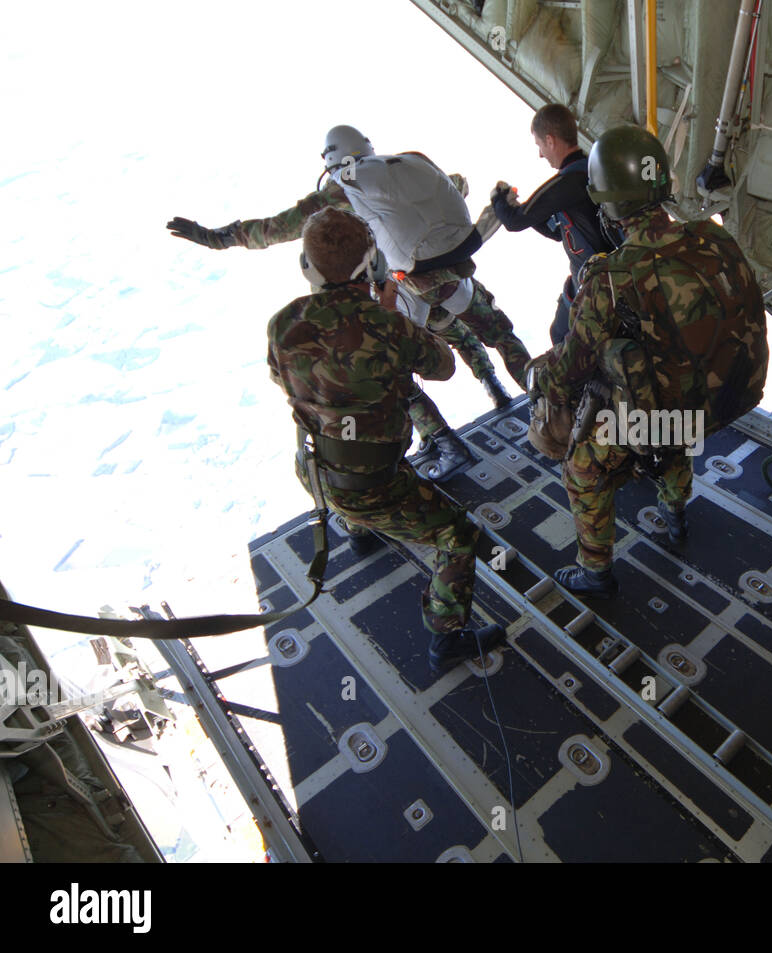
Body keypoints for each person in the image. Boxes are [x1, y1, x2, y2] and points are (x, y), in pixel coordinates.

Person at [167, 124, 529, 478]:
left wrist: (217, 238)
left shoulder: (338, 193)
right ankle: (526, 397)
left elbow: (272, 229)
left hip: (400, 290)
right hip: (452, 274)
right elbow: (454, 186)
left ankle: (444, 442)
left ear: (330, 162)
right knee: (494, 334)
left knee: (394, 369)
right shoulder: (397, 169)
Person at [532, 125, 767, 596]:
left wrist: (536, 375)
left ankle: (596, 573)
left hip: (670, 418)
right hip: (726, 400)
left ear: (607, 204)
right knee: (674, 418)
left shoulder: (611, 277)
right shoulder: (713, 236)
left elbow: (567, 373)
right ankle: (675, 511)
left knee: (582, 469)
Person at [266, 206, 504, 671]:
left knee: (353, 452)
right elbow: (443, 366)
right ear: (372, 265)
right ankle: (446, 638)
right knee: (458, 535)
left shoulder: (283, 323)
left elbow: (284, 378)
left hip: (313, 469)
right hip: (373, 484)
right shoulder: (389, 326)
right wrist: (389, 315)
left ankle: (359, 534)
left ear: (308, 267)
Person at [490, 104, 614, 345]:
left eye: (539, 145)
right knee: (561, 332)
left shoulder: (568, 181)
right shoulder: (592, 171)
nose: (540, 154)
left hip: (595, 284)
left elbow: (514, 221)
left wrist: (498, 199)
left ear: (550, 140)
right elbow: (559, 232)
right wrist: (533, 214)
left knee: (561, 337)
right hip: (605, 274)